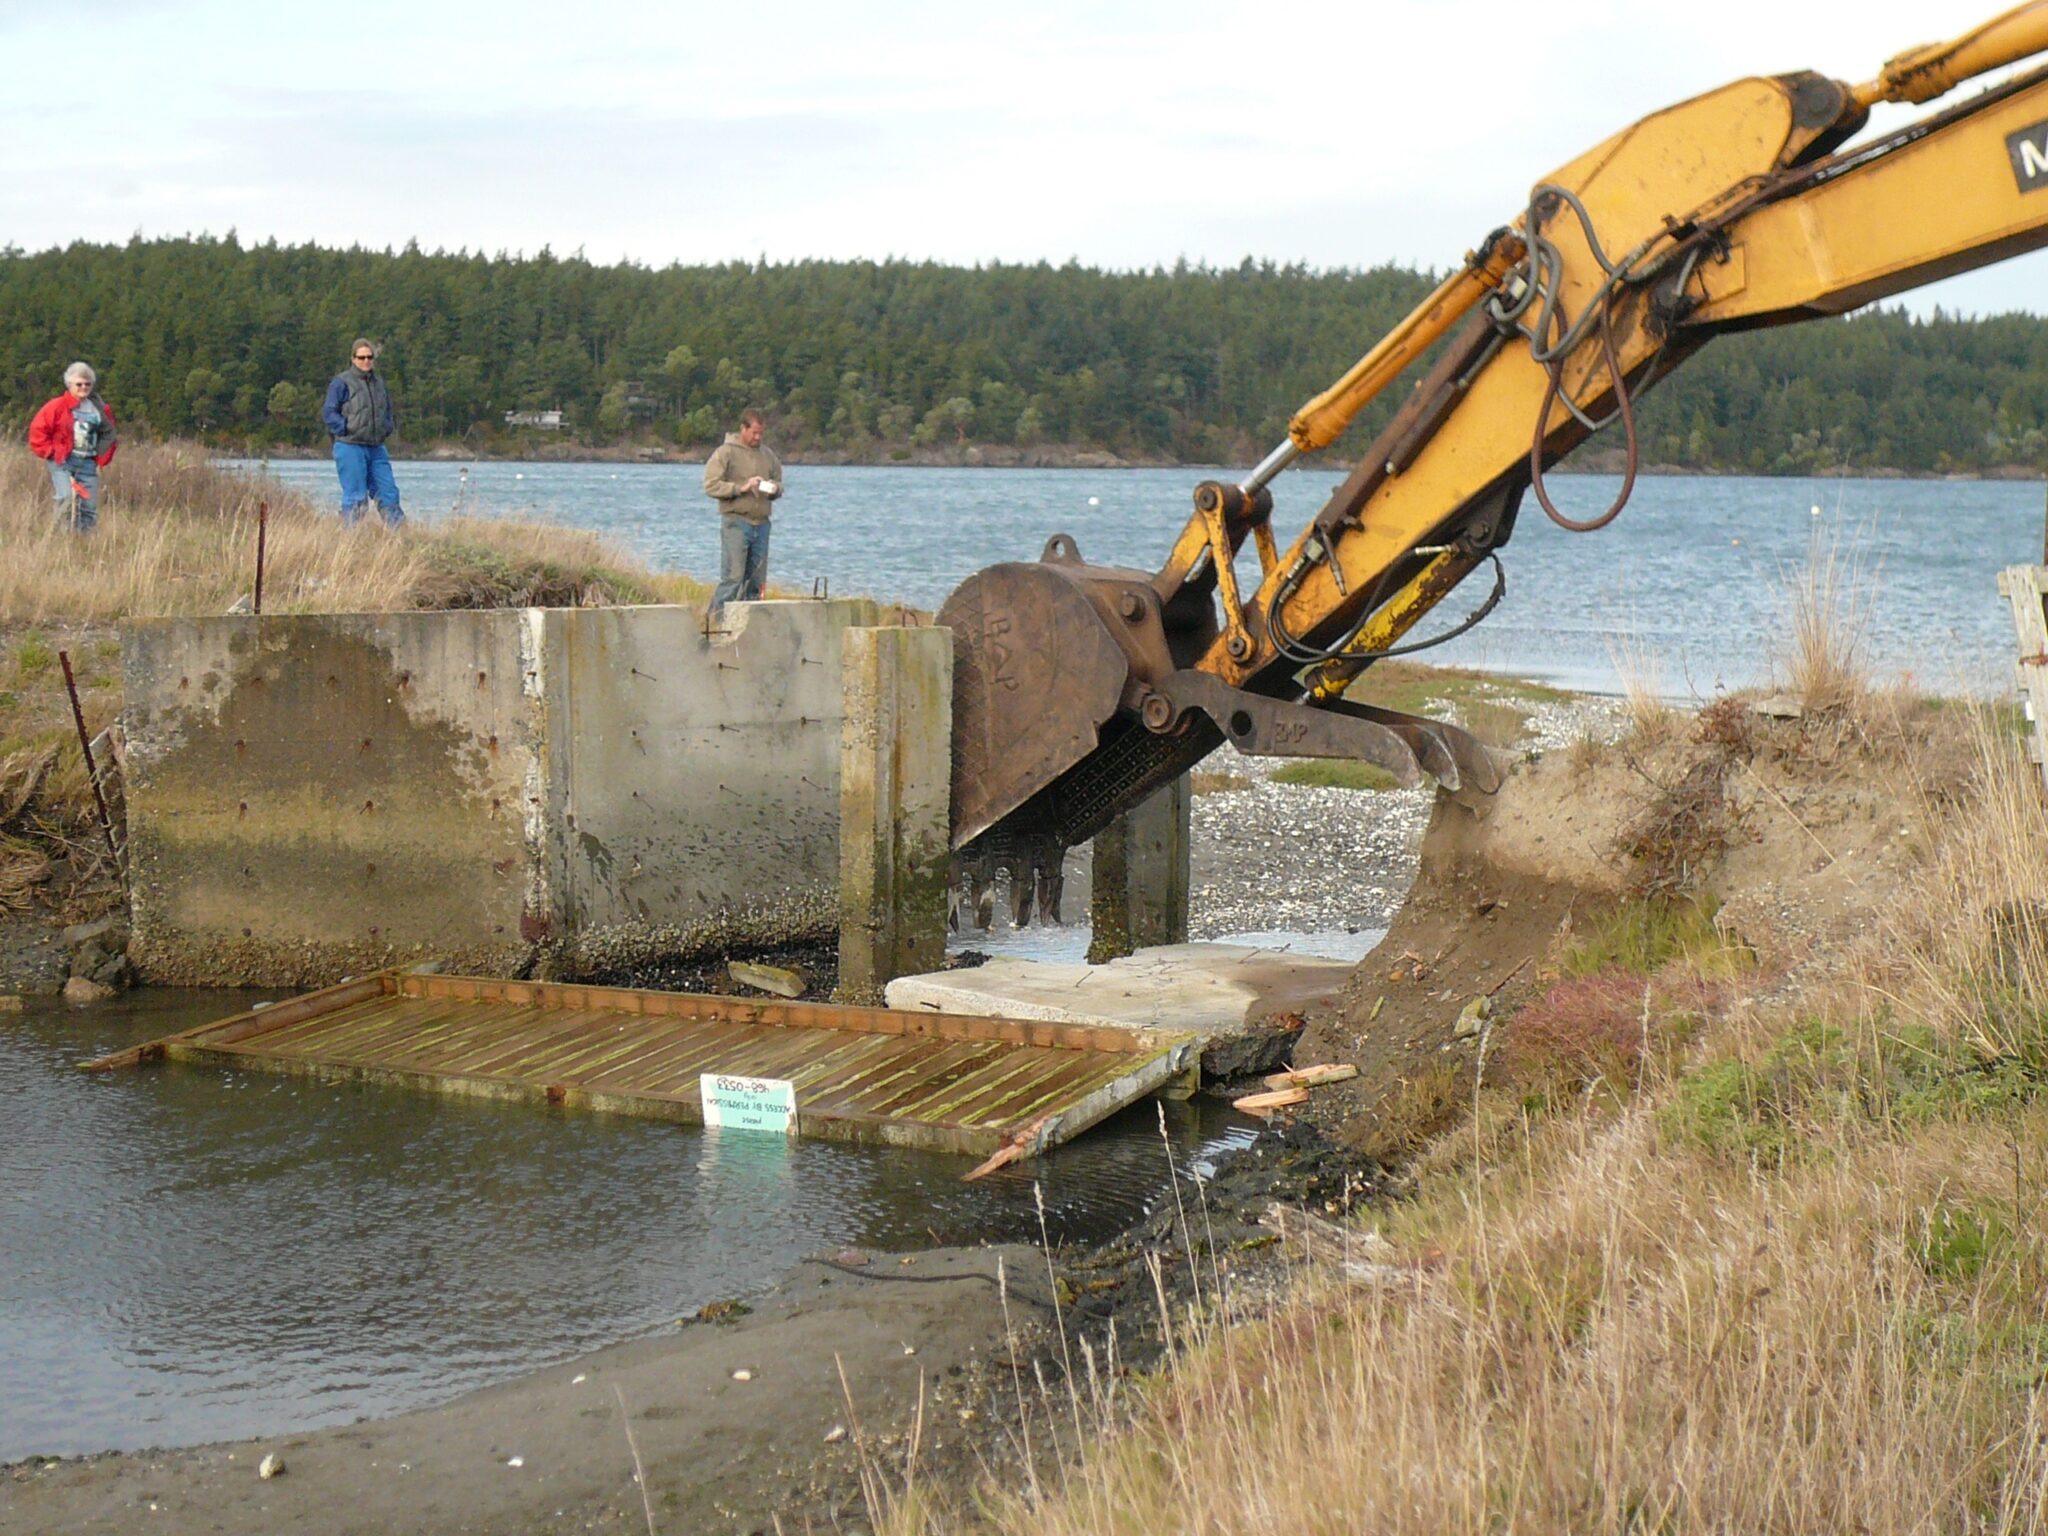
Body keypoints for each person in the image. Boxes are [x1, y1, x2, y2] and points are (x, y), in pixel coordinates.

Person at [702, 407, 784, 610]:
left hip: (762, 524)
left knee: (756, 582)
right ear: (743, 429)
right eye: (754, 433)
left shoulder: (768, 455)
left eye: (761, 433)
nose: (758, 437)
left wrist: (773, 488)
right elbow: (711, 485)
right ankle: (715, 619)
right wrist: (741, 488)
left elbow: (779, 482)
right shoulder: (725, 452)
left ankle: (750, 623)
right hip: (736, 522)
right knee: (733, 578)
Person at [321, 338, 404, 526]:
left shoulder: (379, 383)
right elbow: (329, 413)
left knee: (389, 493)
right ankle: (352, 537)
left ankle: (399, 535)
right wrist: (346, 427)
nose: (366, 361)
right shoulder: (341, 383)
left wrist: (387, 427)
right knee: (356, 496)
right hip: (350, 446)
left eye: (369, 357)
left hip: (376, 447)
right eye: (361, 357)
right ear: (353, 359)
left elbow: (388, 410)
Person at [27, 362, 118, 533]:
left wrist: (101, 459)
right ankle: (60, 538)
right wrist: (51, 453)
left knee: (89, 507)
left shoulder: (100, 409)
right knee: (66, 498)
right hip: (63, 461)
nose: (83, 387)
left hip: (88, 463)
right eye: (79, 384)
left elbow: (109, 434)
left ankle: (84, 542)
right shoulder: (56, 406)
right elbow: (38, 431)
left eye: (87, 384)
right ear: (69, 384)